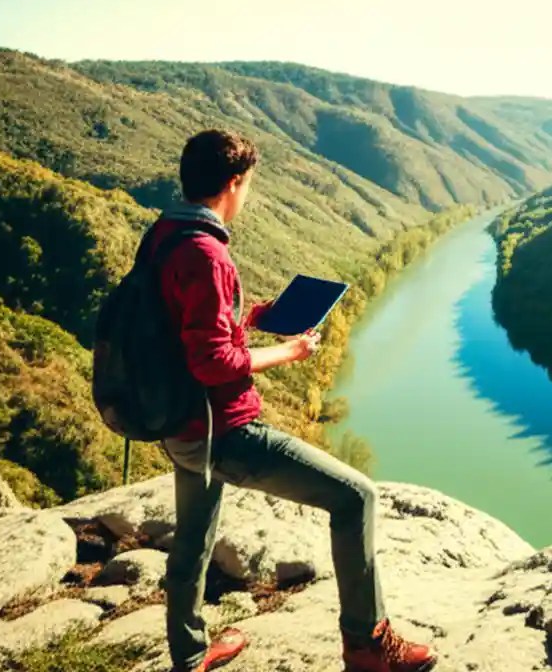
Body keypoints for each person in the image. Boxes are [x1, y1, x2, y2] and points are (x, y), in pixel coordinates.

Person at [151, 129, 437, 672]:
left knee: (192, 542)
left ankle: (189, 658)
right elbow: (212, 363)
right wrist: (289, 350)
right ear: (233, 184)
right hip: (224, 429)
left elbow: (181, 324)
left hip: (179, 422)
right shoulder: (207, 253)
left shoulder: (164, 234)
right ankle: (367, 646)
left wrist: (245, 316)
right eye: (248, 186)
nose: (247, 196)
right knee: (356, 497)